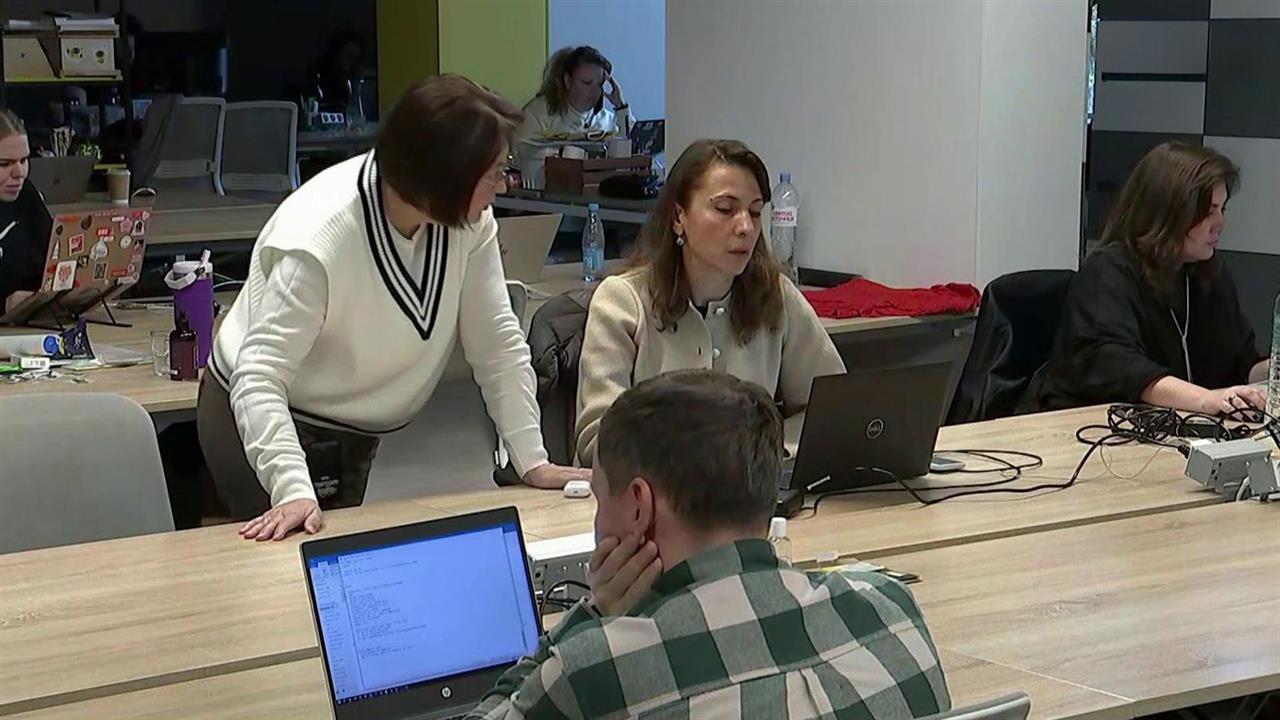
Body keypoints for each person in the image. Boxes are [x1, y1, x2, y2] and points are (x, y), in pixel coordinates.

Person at [198, 76, 588, 541]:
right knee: (290, 561)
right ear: (444, 178)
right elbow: (259, 376)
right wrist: (291, 488)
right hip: (259, 414)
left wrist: (533, 460)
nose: (502, 187)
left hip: (353, 430)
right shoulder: (320, 236)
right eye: (495, 174)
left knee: (337, 565)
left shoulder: (468, 223)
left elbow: (498, 345)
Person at [467, 369, 951, 718]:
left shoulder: (593, 670)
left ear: (638, 507)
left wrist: (592, 617)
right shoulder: (890, 608)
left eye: (598, 496)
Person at [575, 139, 845, 465]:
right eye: (725, 209)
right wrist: (706, 460)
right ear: (678, 217)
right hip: (649, 491)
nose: (746, 227)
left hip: (749, 490)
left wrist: (761, 453)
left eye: (755, 212)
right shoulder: (622, 300)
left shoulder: (776, 294)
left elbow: (833, 406)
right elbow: (598, 441)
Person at [1034, 143, 1269, 416]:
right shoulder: (1109, 270)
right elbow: (1121, 368)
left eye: (1222, 209)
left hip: (1177, 428)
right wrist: (1208, 400)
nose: (1220, 223)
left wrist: (1271, 371)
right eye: (1209, 211)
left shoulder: (1209, 274)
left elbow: (1242, 363)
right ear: (1169, 212)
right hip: (1089, 426)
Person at [515, 46, 633, 184]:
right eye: (586, 83)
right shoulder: (538, 113)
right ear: (567, 81)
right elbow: (521, 154)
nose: (594, 91)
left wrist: (621, 106)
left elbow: (632, 148)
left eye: (600, 85)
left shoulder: (606, 119)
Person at [0, 109, 53, 316]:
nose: (19, 173)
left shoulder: (26, 195)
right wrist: (4, 306)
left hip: (36, 322)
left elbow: (53, 259)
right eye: (5, 164)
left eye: (24, 161)